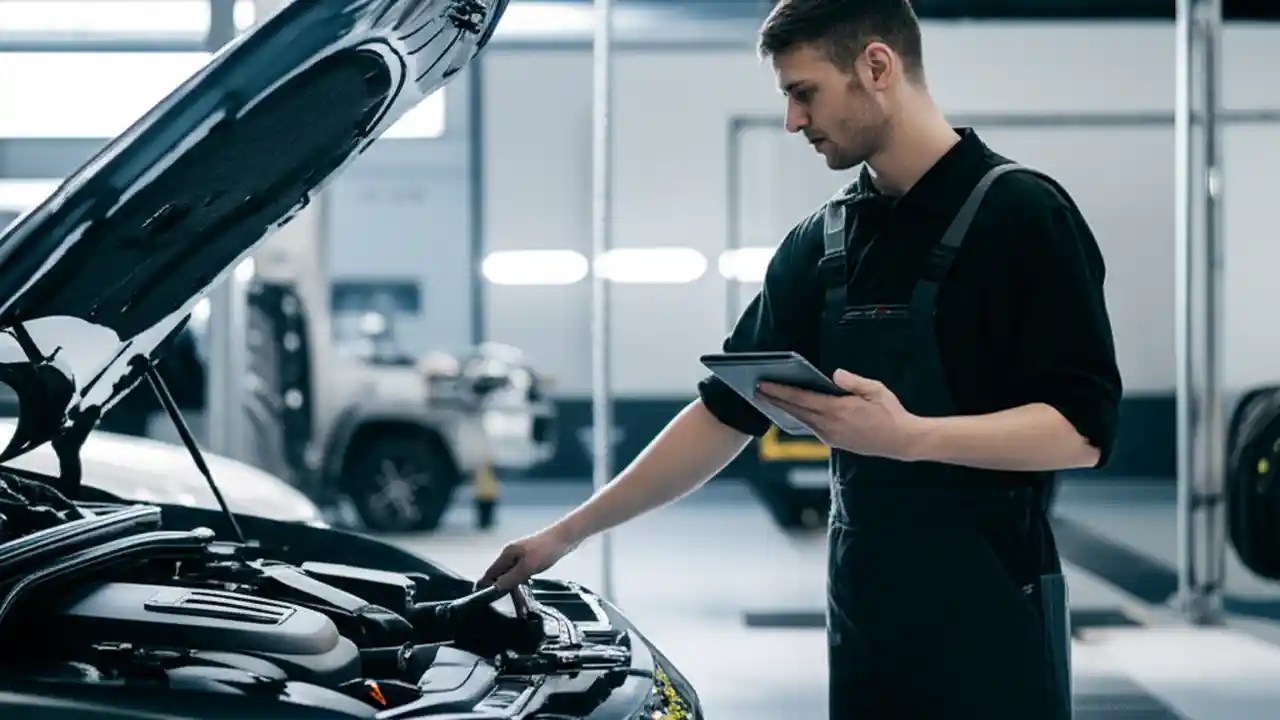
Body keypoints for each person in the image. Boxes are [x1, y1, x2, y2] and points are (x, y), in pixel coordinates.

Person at [480, 0, 1122, 716]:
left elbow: (1080, 431)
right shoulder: (822, 244)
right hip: (866, 614)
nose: (793, 120)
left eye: (802, 91)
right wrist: (566, 534)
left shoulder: (1024, 218)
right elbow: (723, 414)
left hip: (996, 612)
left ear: (876, 67)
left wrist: (911, 438)